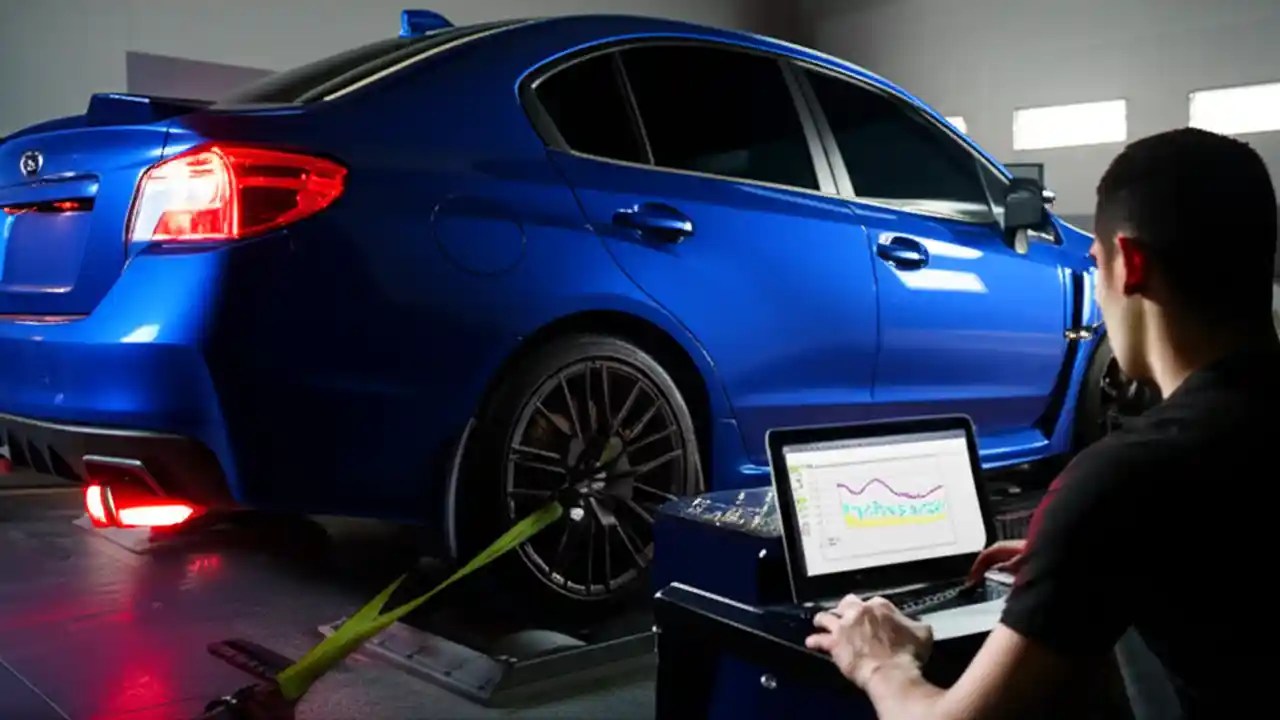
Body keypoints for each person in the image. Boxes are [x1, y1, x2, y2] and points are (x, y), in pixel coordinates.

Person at [805, 127, 1280, 719]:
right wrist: (1073, 559)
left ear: (1130, 265)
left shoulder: (1126, 478)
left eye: (1097, 264)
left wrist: (880, 662)